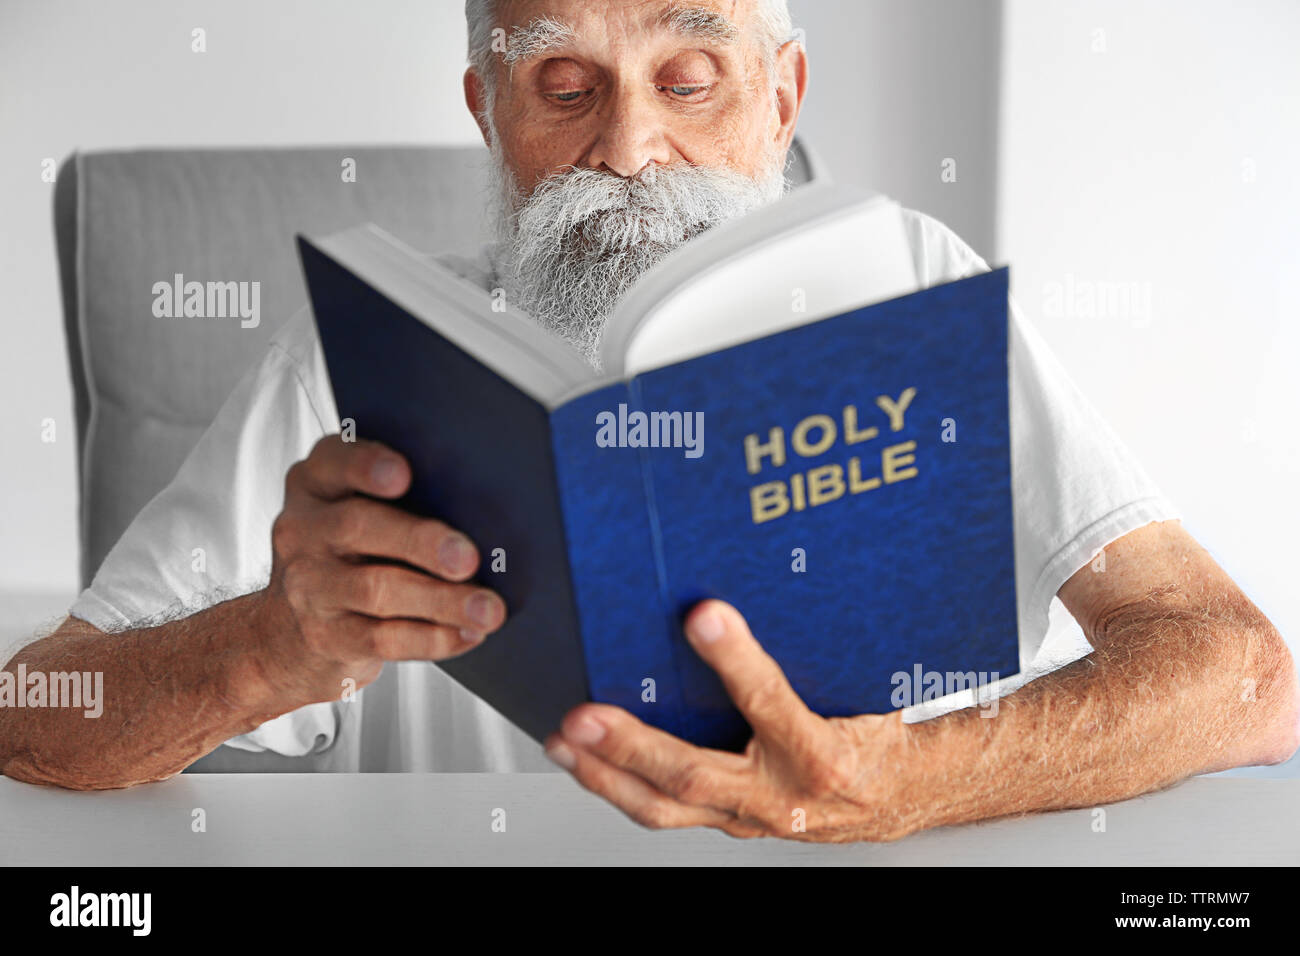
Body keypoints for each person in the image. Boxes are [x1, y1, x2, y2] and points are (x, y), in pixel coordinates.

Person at [2, 0, 1294, 843]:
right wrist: (273, 645)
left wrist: (914, 784)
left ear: (783, 97)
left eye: (689, 79)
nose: (629, 147)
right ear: (484, 114)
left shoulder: (918, 291)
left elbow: (1244, 678)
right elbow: (33, 710)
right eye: (563, 83)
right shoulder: (348, 369)